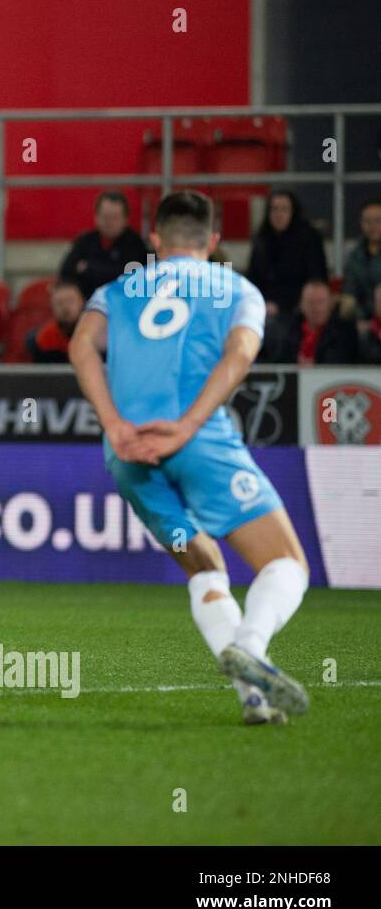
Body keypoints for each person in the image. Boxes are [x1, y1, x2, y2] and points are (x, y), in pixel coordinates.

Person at [69, 190, 312, 726]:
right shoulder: (236, 287)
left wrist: (111, 423)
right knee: (286, 563)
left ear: (155, 239)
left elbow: (81, 345)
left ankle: (252, 696)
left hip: (127, 452)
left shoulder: (117, 288)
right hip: (196, 441)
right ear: (215, 240)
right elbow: (242, 353)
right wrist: (188, 426)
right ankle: (251, 643)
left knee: (204, 567)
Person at [245, 190, 328, 318]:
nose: (278, 215)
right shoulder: (261, 240)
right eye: (274, 209)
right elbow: (253, 279)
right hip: (265, 307)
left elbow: (315, 279)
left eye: (284, 209)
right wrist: (261, 303)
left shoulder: (309, 239)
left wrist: (282, 306)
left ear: (293, 212)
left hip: (299, 309)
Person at [59, 191, 149, 300]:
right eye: (105, 216)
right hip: (87, 306)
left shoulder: (135, 244)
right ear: (96, 217)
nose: (110, 222)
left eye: (115, 217)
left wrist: (88, 268)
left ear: (126, 219)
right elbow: (66, 272)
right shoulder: (85, 241)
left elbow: (129, 278)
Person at [261, 279, 359, 365]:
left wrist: (316, 365)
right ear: (301, 305)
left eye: (320, 302)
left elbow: (343, 362)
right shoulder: (288, 330)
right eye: (310, 302)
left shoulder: (345, 332)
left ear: (330, 304)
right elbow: (279, 362)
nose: (316, 308)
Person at [25, 278, 85, 364]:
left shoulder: (97, 334)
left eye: (70, 301)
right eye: (59, 303)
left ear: (82, 301)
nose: (65, 308)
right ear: (52, 306)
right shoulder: (45, 338)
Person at [342, 198, 381, 321]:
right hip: (363, 321)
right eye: (367, 221)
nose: (372, 226)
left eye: (378, 220)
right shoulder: (354, 256)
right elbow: (350, 293)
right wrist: (360, 319)